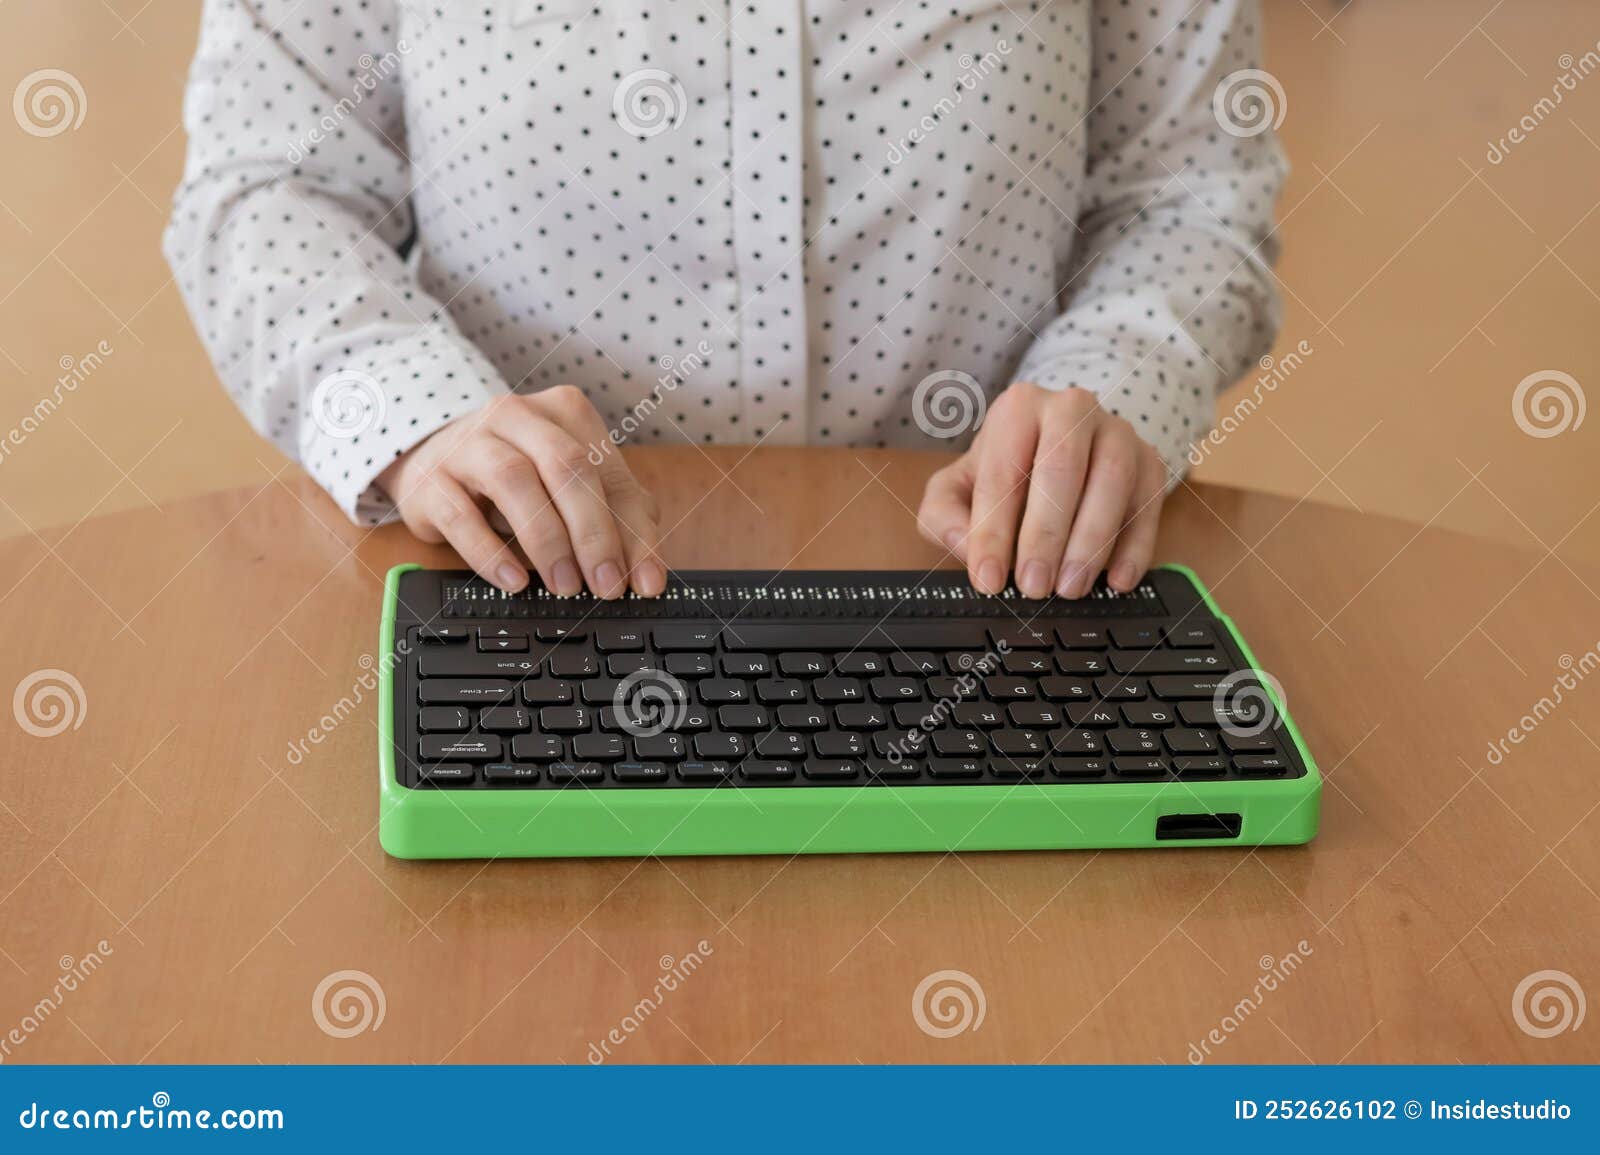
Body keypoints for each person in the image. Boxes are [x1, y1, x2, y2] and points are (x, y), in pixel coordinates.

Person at [166, 0, 1285, 600]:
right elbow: (271, 182)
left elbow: (1182, 195)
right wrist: (417, 417)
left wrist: (1109, 386)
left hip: (988, 584)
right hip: (512, 589)